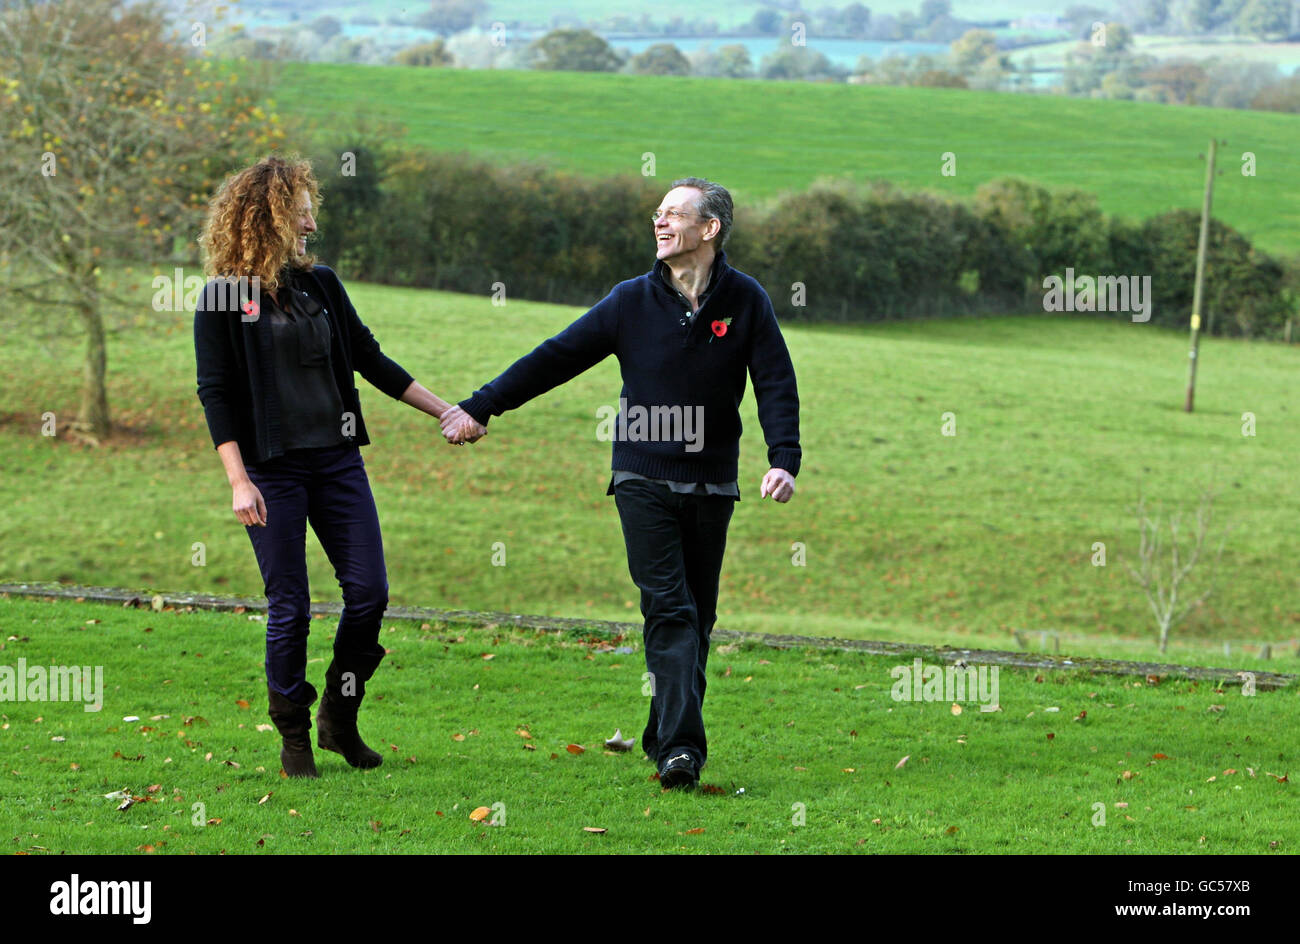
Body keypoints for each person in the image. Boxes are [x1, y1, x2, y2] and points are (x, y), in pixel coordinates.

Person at [440, 177, 800, 789]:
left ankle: (664, 736)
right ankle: (683, 750)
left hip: (713, 482)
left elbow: (774, 378)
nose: (659, 223)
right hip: (643, 476)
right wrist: (481, 406)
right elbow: (556, 356)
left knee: (698, 616)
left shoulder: (747, 300)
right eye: (657, 214)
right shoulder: (630, 300)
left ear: (708, 229)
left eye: (674, 215)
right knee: (671, 607)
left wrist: (783, 458)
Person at [193, 155, 461, 778]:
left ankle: (340, 718)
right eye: (304, 207)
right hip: (270, 472)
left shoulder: (323, 285)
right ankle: (293, 737)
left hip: (337, 463)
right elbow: (216, 393)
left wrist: (447, 410)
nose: (313, 218)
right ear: (273, 215)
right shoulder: (223, 299)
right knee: (290, 605)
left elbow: (370, 358)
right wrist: (238, 481)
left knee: (369, 594)